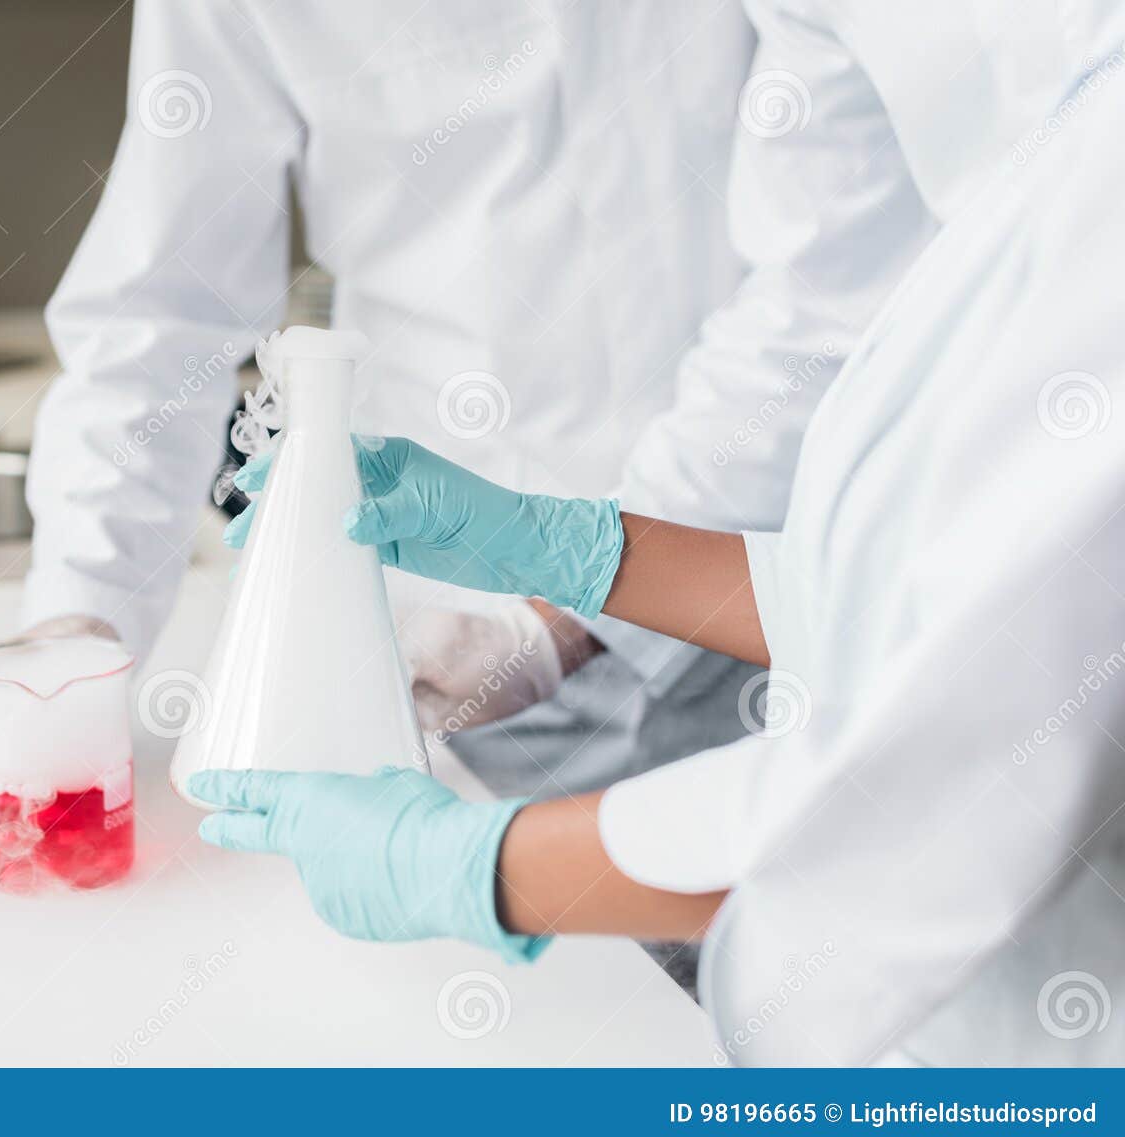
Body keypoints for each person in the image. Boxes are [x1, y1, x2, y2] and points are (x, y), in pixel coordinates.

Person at [194, 39, 1125, 1065]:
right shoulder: (1058, 153)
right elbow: (921, 615)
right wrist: (568, 552)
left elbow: (935, 804)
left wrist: (462, 862)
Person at [23, 0, 775, 807]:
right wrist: (79, 614)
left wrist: (572, 610)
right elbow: (163, 314)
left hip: (780, 593)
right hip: (453, 655)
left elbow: (830, 282)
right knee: (474, 914)